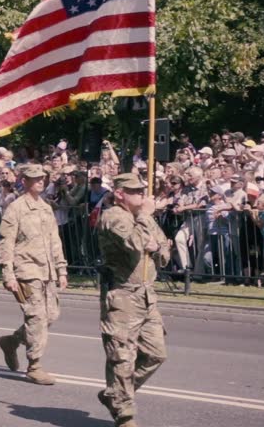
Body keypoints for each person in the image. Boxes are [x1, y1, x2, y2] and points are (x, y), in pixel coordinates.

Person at [96, 173, 170, 427]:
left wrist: (157, 247)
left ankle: (115, 395)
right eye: (136, 191)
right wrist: (146, 219)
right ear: (120, 193)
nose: (142, 195)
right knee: (122, 357)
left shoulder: (141, 218)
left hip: (147, 295)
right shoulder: (113, 216)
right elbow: (134, 243)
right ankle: (124, 413)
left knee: (155, 354)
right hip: (123, 296)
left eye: (142, 191)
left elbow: (164, 249)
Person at [0, 164, 68, 385]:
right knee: (36, 318)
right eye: (34, 178)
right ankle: (34, 365)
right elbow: (6, 241)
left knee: (51, 316)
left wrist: (61, 269)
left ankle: (12, 341)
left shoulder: (46, 208)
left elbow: (55, 241)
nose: (40, 181)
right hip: (26, 270)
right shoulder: (16, 208)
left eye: (42, 178)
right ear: (24, 181)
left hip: (47, 272)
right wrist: (8, 273)